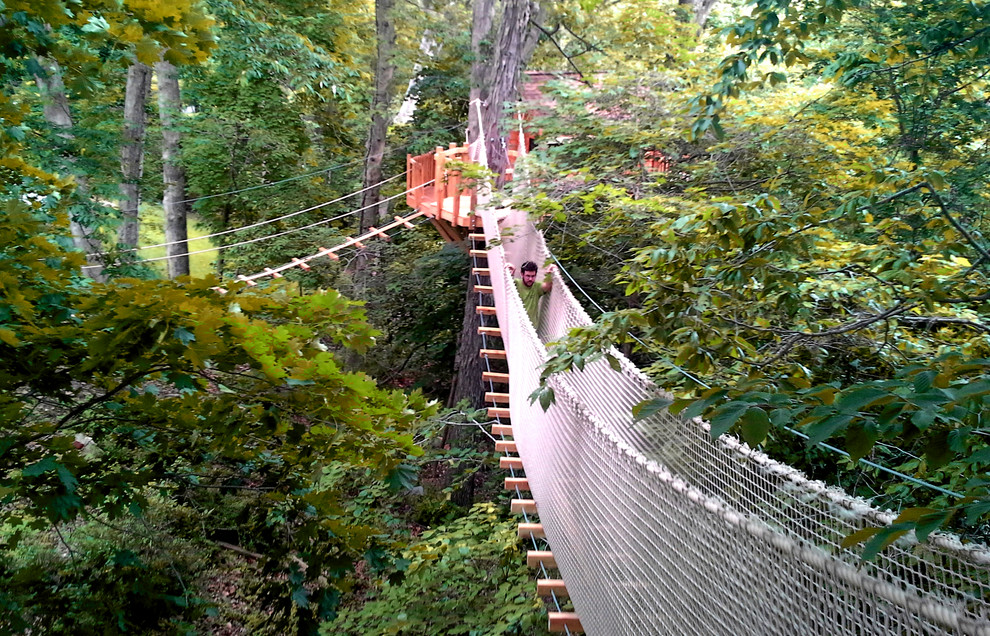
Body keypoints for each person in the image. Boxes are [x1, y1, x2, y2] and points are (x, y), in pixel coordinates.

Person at [507, 261, 555, 326]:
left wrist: (549, 273)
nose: (530, 279)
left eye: (533, 276)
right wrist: (509, 273)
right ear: (522, 274)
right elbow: (505, 285)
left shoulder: (537, 287)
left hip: (531, 329)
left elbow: (548, 286)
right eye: (527, 276)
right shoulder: (516, 284)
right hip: (515, 326)